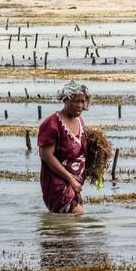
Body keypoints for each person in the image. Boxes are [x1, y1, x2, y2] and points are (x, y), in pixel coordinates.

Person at [38, 81, 90, 214]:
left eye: (82, 101)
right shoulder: (51, 124)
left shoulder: (80, 121)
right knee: (80, 216)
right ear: (65, 100)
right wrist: (71, 180)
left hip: (75, 183)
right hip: (57, 184)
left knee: (70, 231)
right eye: (75, 101)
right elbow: (46, 155)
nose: (80, 105)